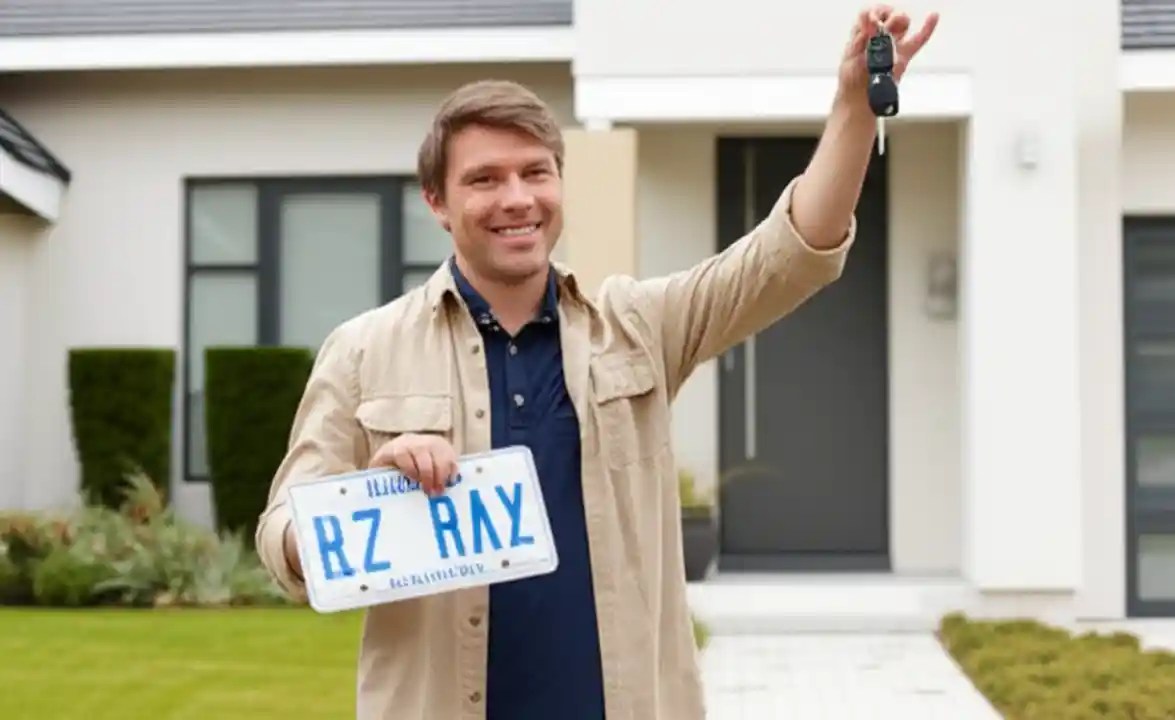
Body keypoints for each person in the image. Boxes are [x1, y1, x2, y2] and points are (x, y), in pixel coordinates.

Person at [255, 5, 938, 719]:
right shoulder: (364, 349)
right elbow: (283, 538)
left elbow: (790, 255)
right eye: (484, 179)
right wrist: (369, 498)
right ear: (437, 201)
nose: (517, 199)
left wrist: (853, 109)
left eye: (536, 173)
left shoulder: (639, 327)